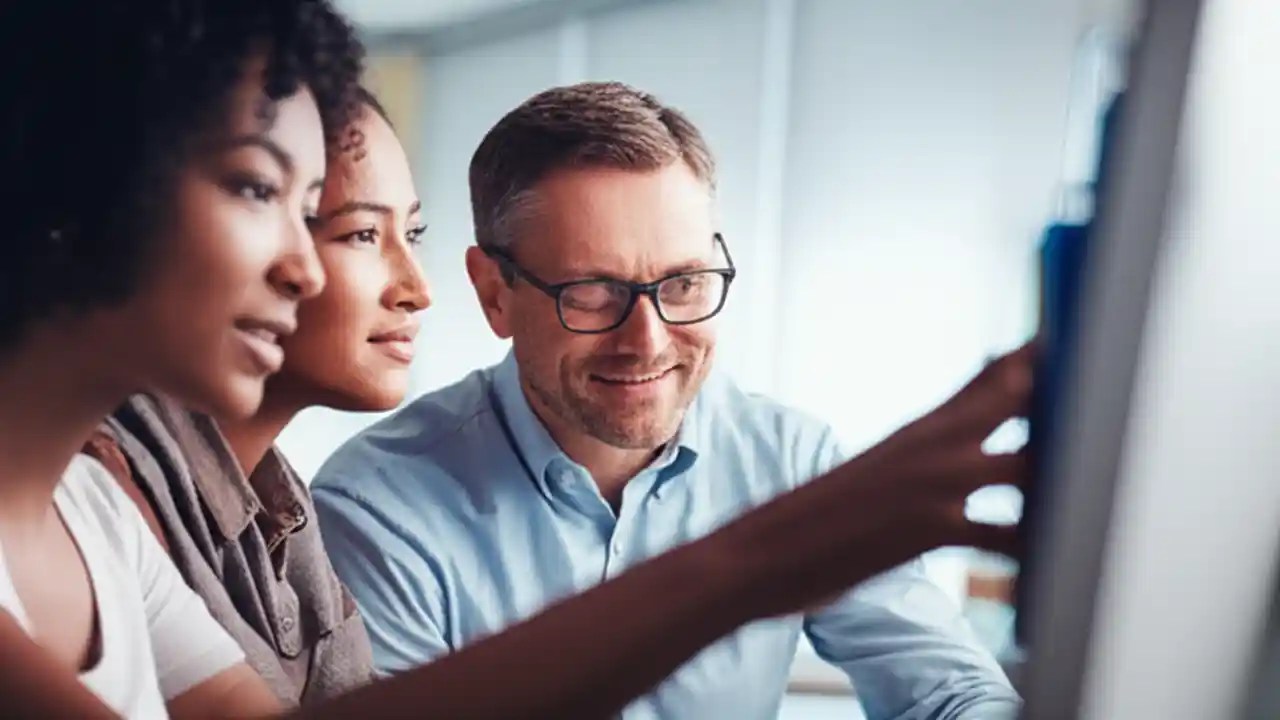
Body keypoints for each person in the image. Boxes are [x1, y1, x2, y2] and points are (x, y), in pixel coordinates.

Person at [314, 81, 1023, 719]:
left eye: (684, 284)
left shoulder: (791, 458)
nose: (648, 342)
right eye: (593, 292)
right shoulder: (378, 507)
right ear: (495, 293)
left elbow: (951, 692)